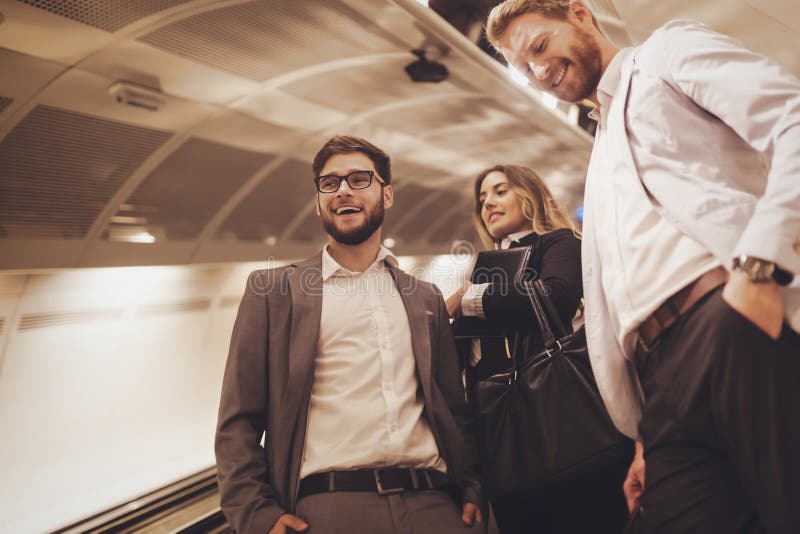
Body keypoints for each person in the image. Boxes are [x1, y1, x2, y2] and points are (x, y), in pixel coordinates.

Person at [486, 1, 800, 532]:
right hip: (660, 382)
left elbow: (791, 120)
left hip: (730, 320)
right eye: (523, 67)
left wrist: (760, 269)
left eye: (539, 46)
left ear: (580, 15)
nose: (538, 71)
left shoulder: (666, 53)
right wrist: (641, 434)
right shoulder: (601, 150)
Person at [215, 135, 483, 534]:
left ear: (387, 195)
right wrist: (256, 515)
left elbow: (453, 407)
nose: (343, 190)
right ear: (318, 200)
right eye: (330, 182)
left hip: (433, 502)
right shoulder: (273, 293)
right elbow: (238, 421)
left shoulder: (423, 297)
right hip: (328, 509)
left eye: (359, 179)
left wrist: (474, 489)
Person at [446, 164, 631, 533]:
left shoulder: (559, 242)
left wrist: (468, 300)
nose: (488, 203)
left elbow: (555, 297)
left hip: (559, 427)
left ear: (529, 195)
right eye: (482, 198)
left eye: (500, 191)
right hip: (502, 441)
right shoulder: (485, 266)